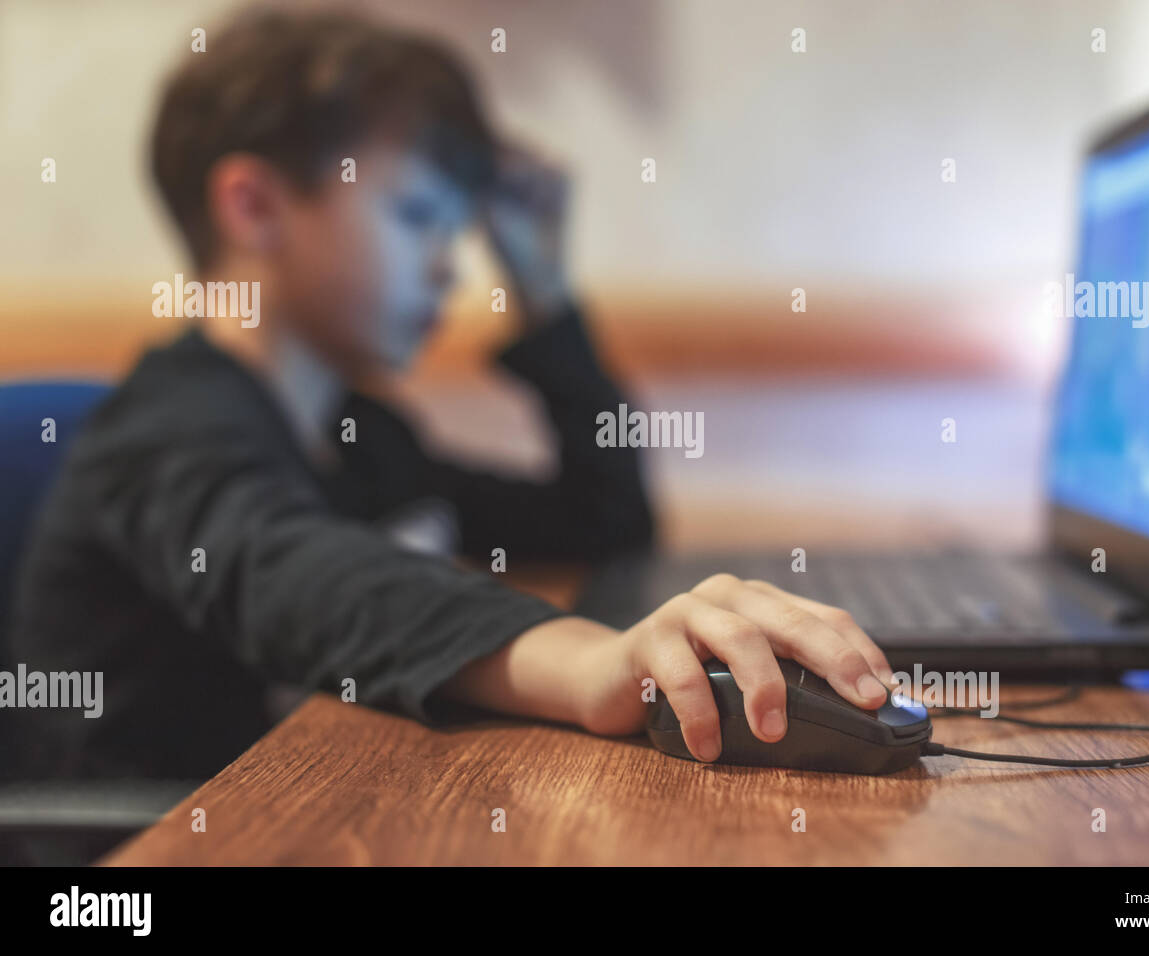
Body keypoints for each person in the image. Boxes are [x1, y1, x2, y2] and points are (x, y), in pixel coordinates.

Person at [11, 8, 896, 793]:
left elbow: (602, 521)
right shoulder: (165, 430)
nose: (447, 265)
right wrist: (591, 663)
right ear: (253, 207)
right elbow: (303, 572)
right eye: (416, 217)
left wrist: (543, 292)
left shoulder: (362, 437)